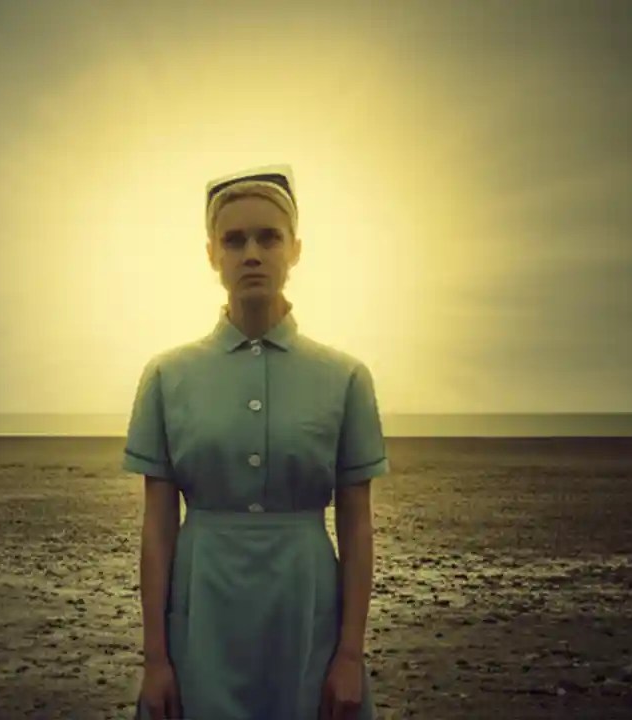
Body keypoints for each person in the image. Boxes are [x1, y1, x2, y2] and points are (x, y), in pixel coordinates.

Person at [125, 163, 390, 719]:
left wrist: (349, 654)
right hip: (202, 610)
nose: (251, 253)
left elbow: (357, 522)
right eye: (234, 239)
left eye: (268, 237)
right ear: (211, 254)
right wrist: (155, 660)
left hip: (306, 606)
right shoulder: (167, 376)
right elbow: (156, 524)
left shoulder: (344, 377)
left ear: (294, 249)